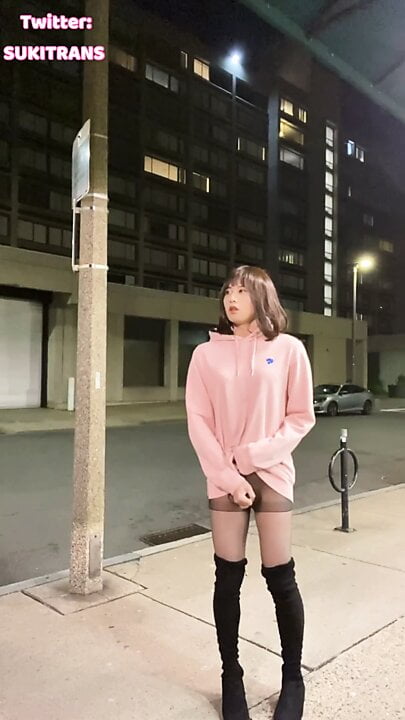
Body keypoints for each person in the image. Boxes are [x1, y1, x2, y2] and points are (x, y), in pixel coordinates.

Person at [185, 265, 315, 720]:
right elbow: (198, 421)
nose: (231, 297)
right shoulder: (205, 355)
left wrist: (252, 456)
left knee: (280, 577)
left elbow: (300, 417)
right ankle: (231, 677)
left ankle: (293, 679)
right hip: (225, 476)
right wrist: (229, 475)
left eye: (241, 290)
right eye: (227, 290)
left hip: (272, 471)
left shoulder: (289, 349)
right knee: (227, 578)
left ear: (262, 296)